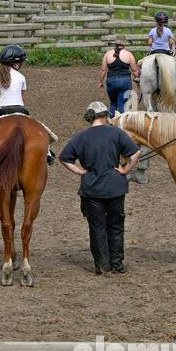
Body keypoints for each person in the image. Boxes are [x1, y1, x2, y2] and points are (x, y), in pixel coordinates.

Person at [59, 100, 140, 274]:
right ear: (104, 116)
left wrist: (81, 172)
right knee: (116, 226)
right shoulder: (117, 133)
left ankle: (102, 265)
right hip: (115, 187)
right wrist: (125, 169)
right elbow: (135, 153)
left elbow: (64, 158)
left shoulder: (81, 136)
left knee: (97, 227)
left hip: (92, 188)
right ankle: (117, 263)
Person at [98, 36, 140, 116]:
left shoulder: (108, 53)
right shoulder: (128, 54)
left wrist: (101, 81)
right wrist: (137, 80)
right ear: (124, 45)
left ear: (115, 44)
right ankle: (121, 124)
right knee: (122, 104)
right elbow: (135, 70)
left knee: (113, 104)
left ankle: (111, 124)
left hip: (111, 81)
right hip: (125, 81)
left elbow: (103, 70)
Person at [147, 11, 176, 82]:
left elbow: (149, 43)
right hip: (166, 51)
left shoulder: (152, 30)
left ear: (156, 21)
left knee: (143, 61)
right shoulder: (168, 30)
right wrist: (169, 46)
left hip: (154, 51)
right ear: (166, 22)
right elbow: (171, 42)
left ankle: (139, 74)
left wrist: (154, 45)